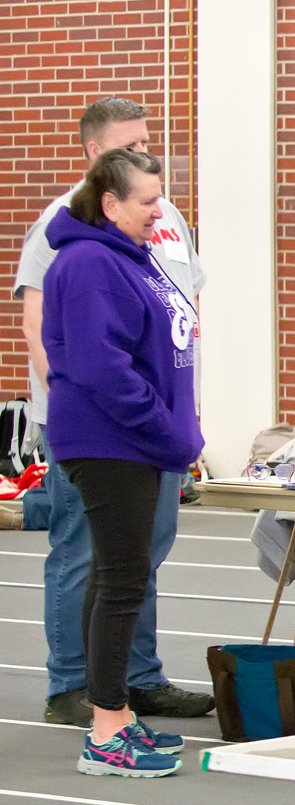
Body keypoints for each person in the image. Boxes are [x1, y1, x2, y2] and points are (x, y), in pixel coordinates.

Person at [14, 96, 211, 729]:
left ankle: (135, 675)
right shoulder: (67, 232)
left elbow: (181, 315)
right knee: (87, 555)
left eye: (147, 142)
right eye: (129, 145)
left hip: (155, 423)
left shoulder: (162, 221)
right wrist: (76, 409)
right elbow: (46, 331)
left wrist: (185, 411)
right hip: (107, 428)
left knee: (137, 558)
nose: (145, 154)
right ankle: (77, 685)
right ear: (98, 160)